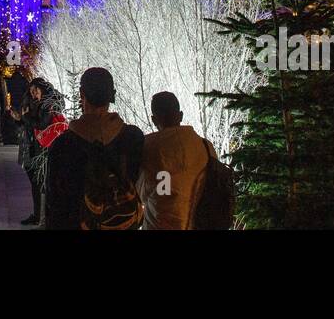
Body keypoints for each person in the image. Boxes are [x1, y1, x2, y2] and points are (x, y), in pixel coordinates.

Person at [43, 67, 144, 230]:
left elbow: (55, 205)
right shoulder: (133, 137)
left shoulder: (63, 145)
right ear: (112, 95)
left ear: (81, 94)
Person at [137, 92, 215, 230]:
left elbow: (140, 193)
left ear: (154, 120)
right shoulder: (206, 147)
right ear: (181, 115)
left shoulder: (148, 148)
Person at [12, 77, 64, 225]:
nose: (33, 93)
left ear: (44, 90)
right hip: (29, 146)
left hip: (42, 148)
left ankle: (43, 217)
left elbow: (41, 124)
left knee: (41, 183)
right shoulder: (31, 102)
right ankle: (37, 215)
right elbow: (28, 124)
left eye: (36, 90)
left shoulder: (49, 104)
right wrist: (19, 119)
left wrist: (26, 116)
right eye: (31, 90)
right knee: (34, 182)